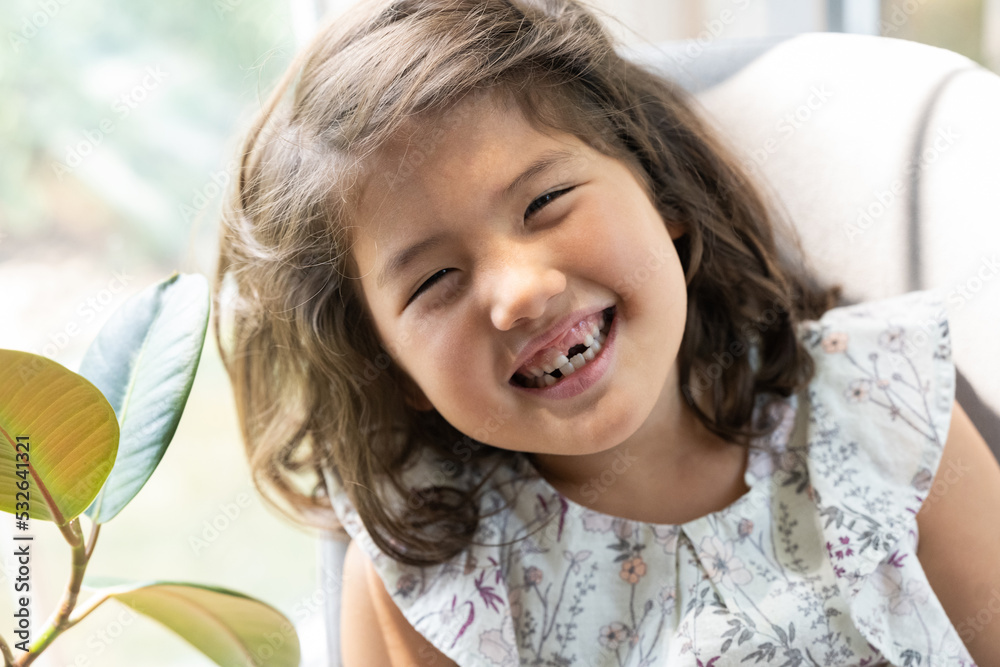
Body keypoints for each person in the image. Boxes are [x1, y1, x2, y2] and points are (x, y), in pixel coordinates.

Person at [212, 0, 1000, 664]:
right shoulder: (429, 581)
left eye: (544, 201)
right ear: (391, 370)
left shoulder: (890, 404)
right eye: (434, 282)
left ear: (663, 194)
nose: (520, 293)